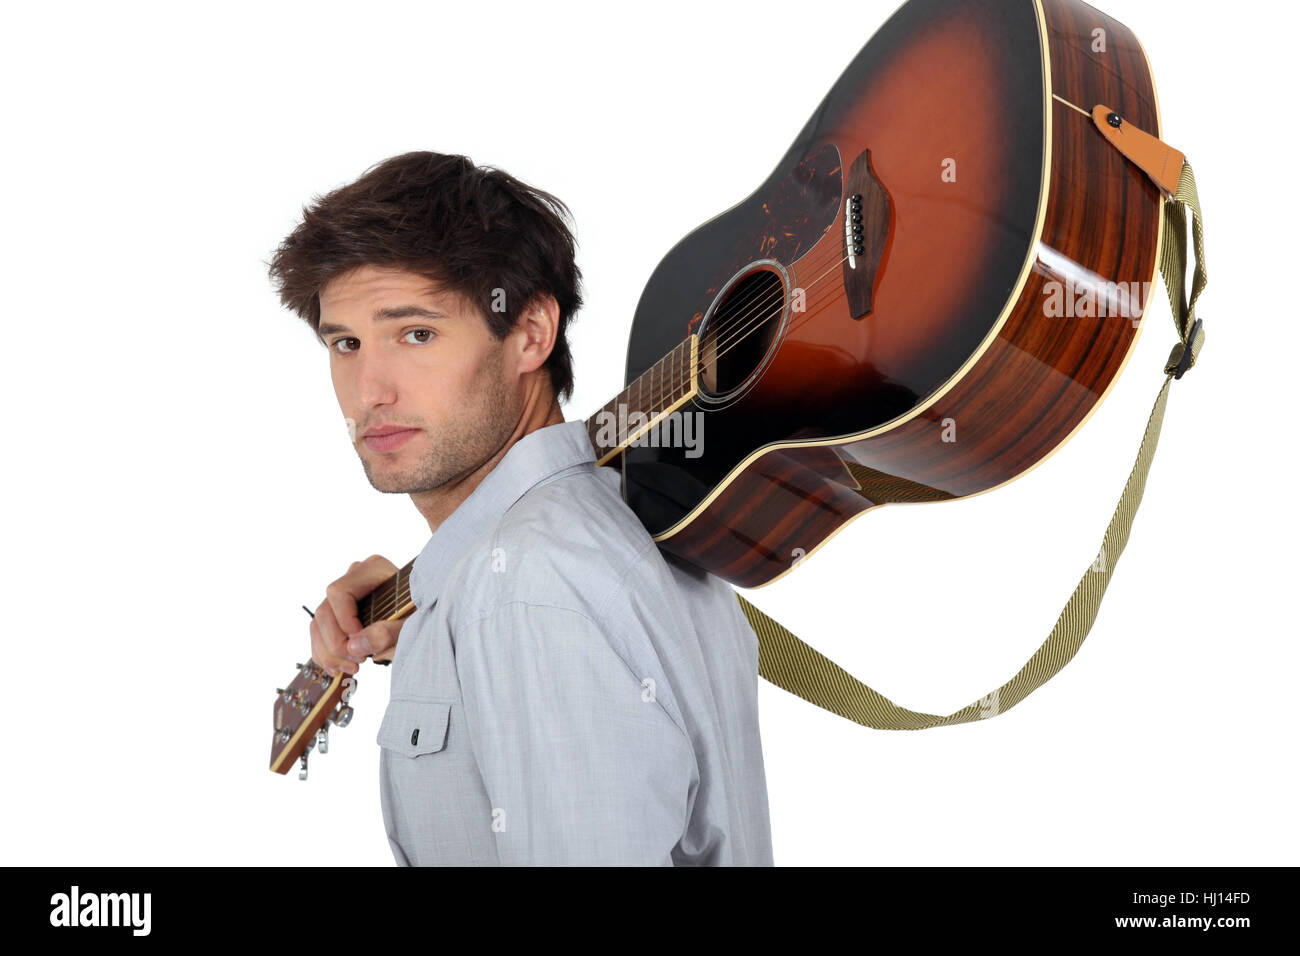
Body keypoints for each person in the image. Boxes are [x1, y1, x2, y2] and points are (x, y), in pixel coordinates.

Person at [266, 151, 773, 866]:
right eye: (345, 343)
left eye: (416, 334)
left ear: (530, 333)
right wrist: (425, 614)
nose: (369, 390)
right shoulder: (610, 519)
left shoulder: (528, 584)